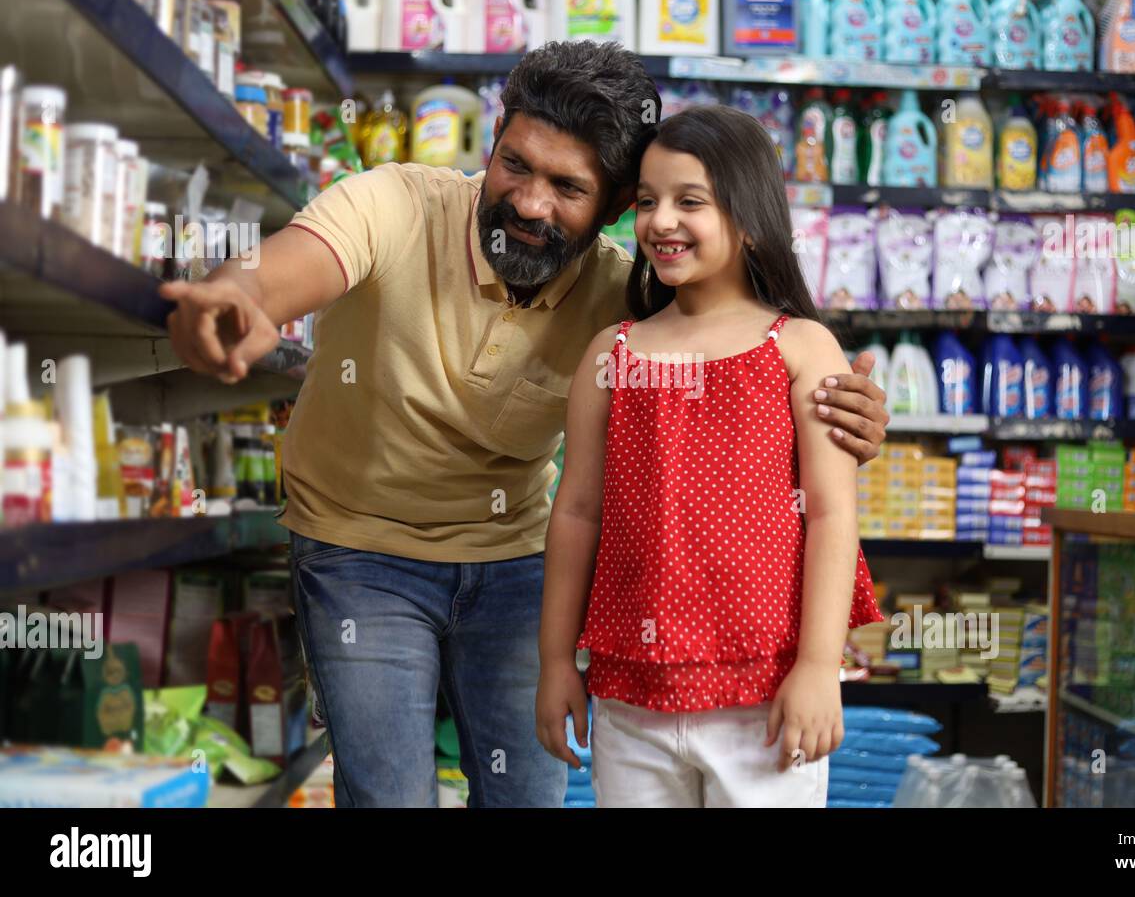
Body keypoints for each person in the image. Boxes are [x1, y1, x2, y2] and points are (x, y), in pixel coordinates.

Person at [161, 42, 890, 808]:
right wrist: (238, 303)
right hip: (358, 553)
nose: (531, 203)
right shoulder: (393, 204)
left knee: (526, 797)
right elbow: (274, 275)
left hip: (513, 560)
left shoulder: (626, 301)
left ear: (613, 208)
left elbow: (729, 380)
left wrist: (843, 421)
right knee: (388, 797)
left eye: (567, 187)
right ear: (495, 136)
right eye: (517, 165)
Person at [536, 106, 884, 807]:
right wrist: (554, 663)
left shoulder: (801, 347)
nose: (661, 221)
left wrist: (819, 666)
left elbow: (831, 515)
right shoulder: (613, 352)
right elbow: (575, 511)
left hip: (765, 697)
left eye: (690, 201)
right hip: (630, 699)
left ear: (750, 215)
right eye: (646, 201)